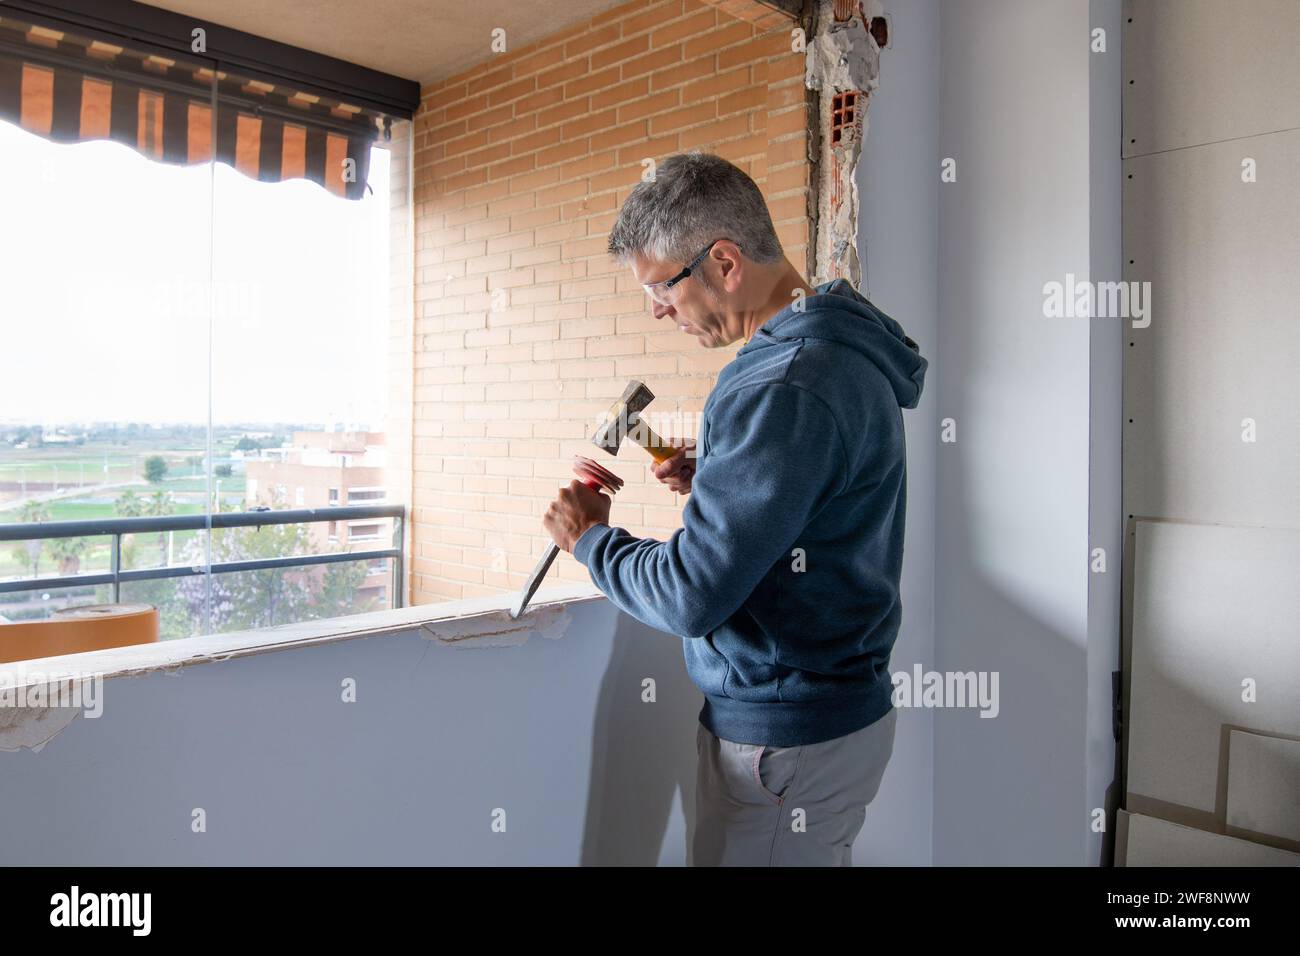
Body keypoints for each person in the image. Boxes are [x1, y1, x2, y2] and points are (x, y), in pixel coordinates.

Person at [542, 152, 927, 866]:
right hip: (824, 725)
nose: (657, 310)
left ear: (722, 262)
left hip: (786, 742)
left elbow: (692, 595)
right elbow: (815, 499)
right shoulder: (836, 347)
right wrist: (723, 475)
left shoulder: (783, 385)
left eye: (660, 287)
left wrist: (592, 541)